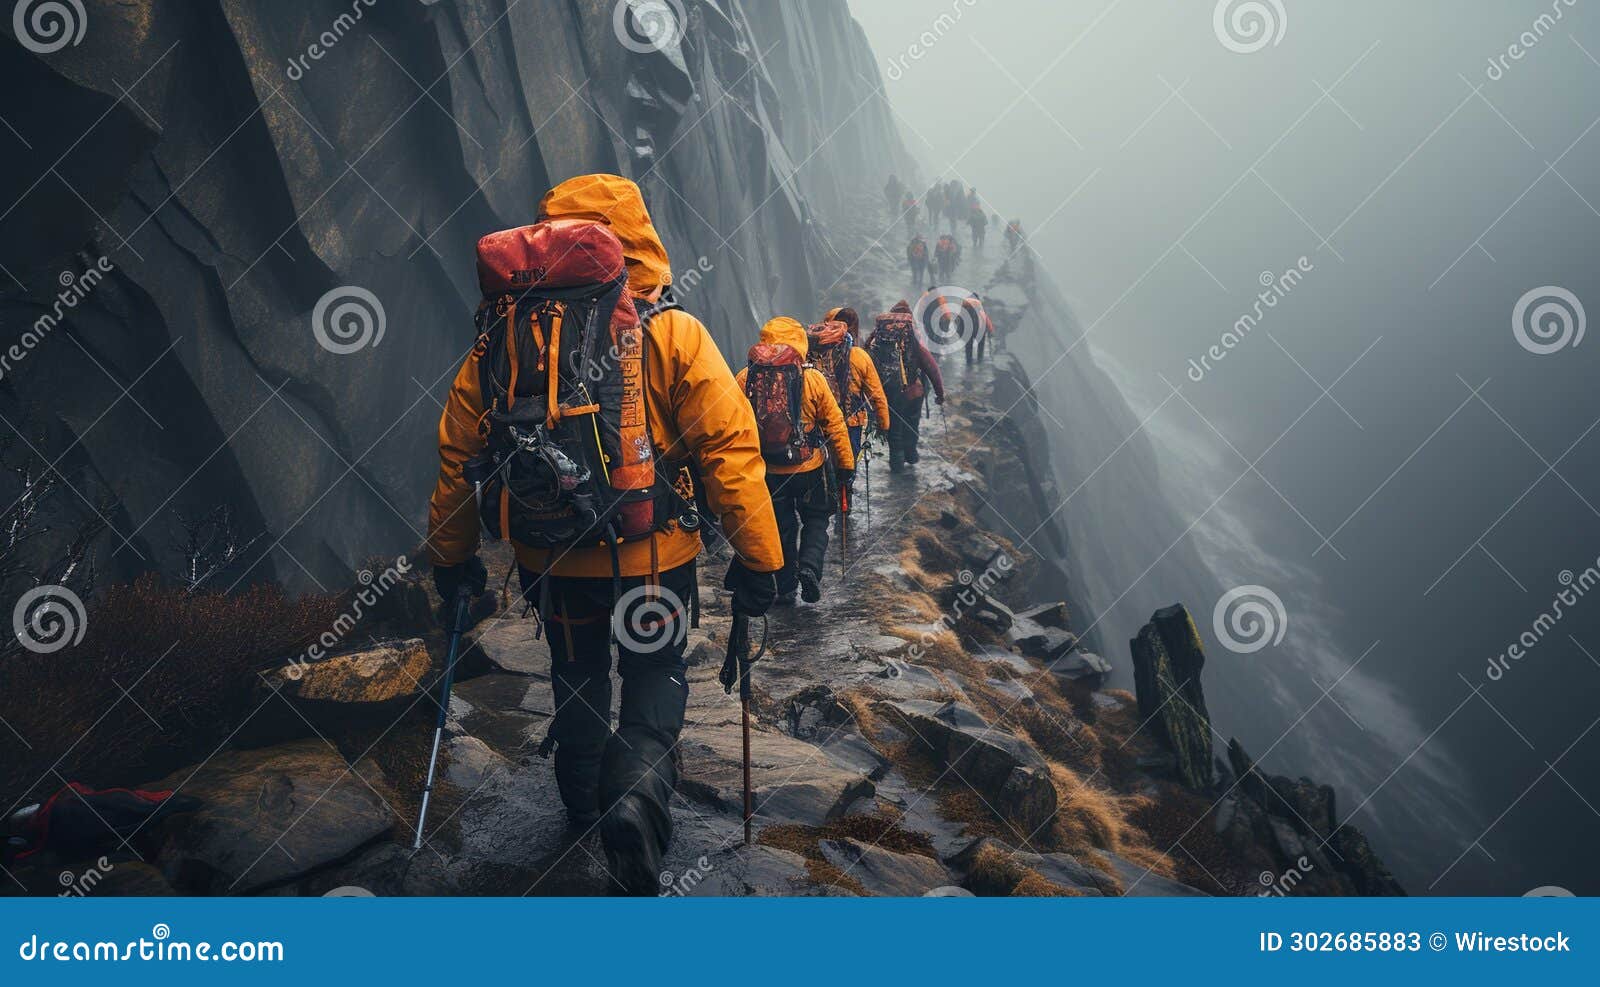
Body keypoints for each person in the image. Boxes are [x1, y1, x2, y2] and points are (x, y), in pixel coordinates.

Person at [426, 174, 782, 896]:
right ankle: (636, 800)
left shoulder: (502, 333)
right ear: (640, 236)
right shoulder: (673, 333)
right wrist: (760, 562)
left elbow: (459, 452)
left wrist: (451, 558)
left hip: (550, 561)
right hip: (653, 561)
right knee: (653, 672)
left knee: (578, 674)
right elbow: (730, 449)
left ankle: (581, 815)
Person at [735, 317, 855, 605]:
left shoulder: (745, 377)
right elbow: (835, 424)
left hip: (768, 470)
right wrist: (845, 466)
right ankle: (810, 567)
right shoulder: (812, 378)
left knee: (781, 526)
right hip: (808, 468)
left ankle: (785, 586)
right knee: (816, 519)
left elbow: (733, 424)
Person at [868, 301, 945, 472]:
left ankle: (896, 460)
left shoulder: (878, 336)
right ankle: (910, 453)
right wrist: (939, 394)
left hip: (887, 390)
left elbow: (864, 360)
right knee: (911, 421)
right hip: (913, 390)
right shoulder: (913, 336)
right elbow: (931, 366)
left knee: (894, 426)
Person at [822, 306, 892, 467]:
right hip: (851, 422)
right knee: (848, 465)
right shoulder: (859, 356)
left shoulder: (814, 353)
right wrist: (883, 424)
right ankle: (846, 488)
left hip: (822, 425)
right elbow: (876, 395)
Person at [961, 292, 996, 365]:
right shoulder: (979, 306)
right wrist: (990, 330)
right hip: (980, 329)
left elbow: (959, 320)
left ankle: (969, 363)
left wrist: (960, 332)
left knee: (968, 347)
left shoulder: (964, 306)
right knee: (980, 347)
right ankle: (980, 362)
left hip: (968, 330)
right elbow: (986, 319)